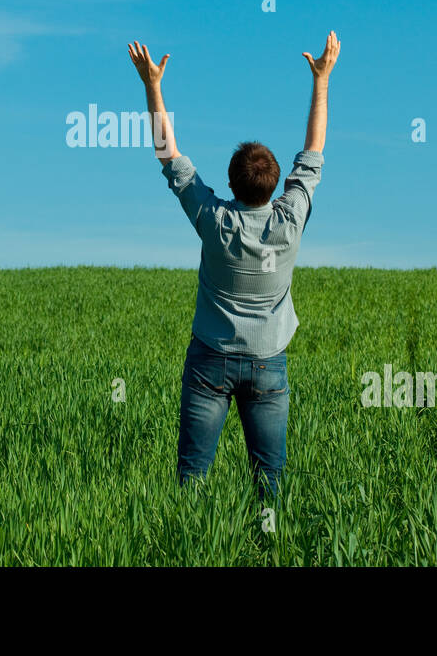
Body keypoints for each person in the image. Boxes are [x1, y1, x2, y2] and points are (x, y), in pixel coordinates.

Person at [126, 32, 340, 499]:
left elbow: (169, 155)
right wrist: (321, 79)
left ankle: (192, 548)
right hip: (268, 364)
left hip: (209, 361)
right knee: (269, 481)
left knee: (191, 478)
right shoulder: (290, 220)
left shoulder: (214, 219)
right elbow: (314, 155)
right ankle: (267, 547)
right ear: (276, 184)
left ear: (229, 182)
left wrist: (152, 84)